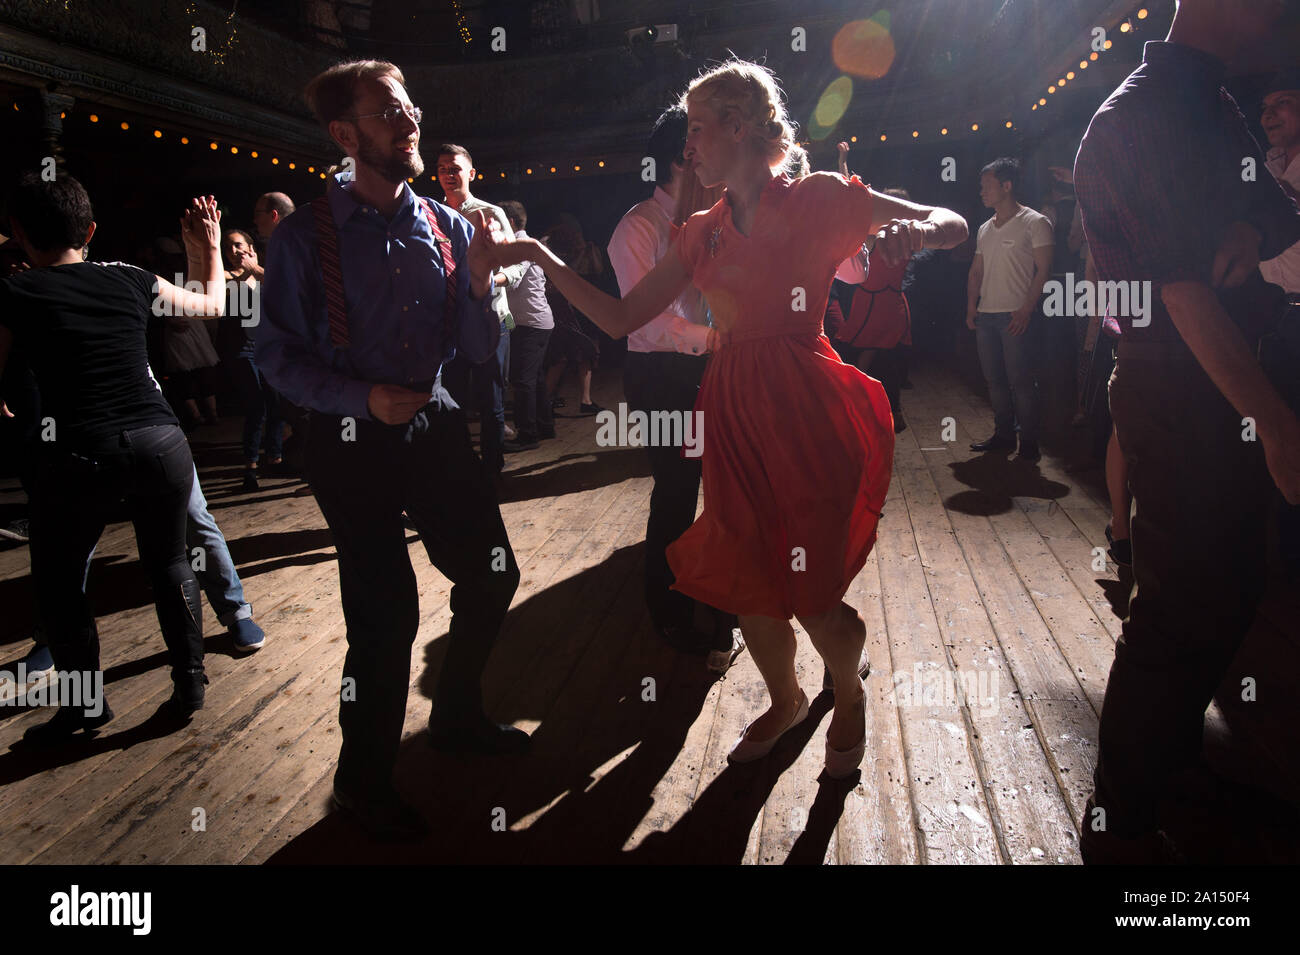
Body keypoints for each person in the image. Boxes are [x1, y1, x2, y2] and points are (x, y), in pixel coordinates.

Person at [490, 59, 968, 780]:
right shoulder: (701, 232)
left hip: (806, 408)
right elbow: (622, 316)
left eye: (698, 132)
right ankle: (785, 698)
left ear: (740, 128)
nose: (689, 150)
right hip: (734, 409)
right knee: (750, 578)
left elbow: (953, 222)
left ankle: (847, 689)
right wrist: (535, 253)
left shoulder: (818, 197)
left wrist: (918, 235)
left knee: (811, 593)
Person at [257, 59, 526, 842]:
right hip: (347, 438)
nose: (408, 123)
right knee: (385, 617)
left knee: (495, 571)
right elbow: (273, 356)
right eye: (386, 113)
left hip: (433, 420)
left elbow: (477, 351)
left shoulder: (447, 227)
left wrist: (479, 289)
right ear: (344, 135)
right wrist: (359, 399)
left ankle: (456, 715)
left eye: (409, 107)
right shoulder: (307, 237)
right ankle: (361, 780)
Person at [1073, 0, 1300, 863]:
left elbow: (1278, 215)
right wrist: (1274, 422)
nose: (1279, 15)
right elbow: (1178, 290)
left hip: (1221, 390)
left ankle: (1167, 758)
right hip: (1181, 392)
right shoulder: (1142, 113)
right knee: (1176, 612)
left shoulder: (1211, 103)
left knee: (1230, 587)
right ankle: (1120, 822)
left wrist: (1248, 225)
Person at [0, 175, 228, 741]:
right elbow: (213, 306)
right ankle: (190, 682)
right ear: (91, 230)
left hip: (79, 453)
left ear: (19, 234)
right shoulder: (130, 279)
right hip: (161, 441)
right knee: (171, 562)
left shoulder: (14, 293)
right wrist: (210, 246)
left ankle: (85, 708)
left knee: (59, 583)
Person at [607, 104, 739, 669]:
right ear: (683, 155)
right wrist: (716, 339)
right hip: (663, 374)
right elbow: (648, 321)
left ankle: (729, 602)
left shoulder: (719, 220)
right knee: (679, 489)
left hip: (717, 363)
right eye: (706, 143)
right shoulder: (639, 226)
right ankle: (667, 609)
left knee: (730, 488)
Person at [436, 144, 527, 477]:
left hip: (491, 319)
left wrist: (487, 281)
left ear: (471, 173)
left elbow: (517, 267)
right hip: (451, 321)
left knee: (491, 401)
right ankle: (460, 468)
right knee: (452, 400)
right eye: (443, 168)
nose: (448, 174)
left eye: (455, 168)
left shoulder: (489, 214)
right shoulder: (430, 214)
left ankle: (491, 468)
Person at [966, 157, 1054, 463]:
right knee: (995, 381)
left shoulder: (1035, 222)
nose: (982, 192)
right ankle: (1003, 436)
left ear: (1007, 185)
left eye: (987, 186)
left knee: (1021, 382)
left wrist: (1026, 310)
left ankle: (1029, 443)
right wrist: (971, 307)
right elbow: (976, 271)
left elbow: (1043, 271)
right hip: (987, 315)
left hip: (1015, 315)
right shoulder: (984, 229)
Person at [1257, 68, 1300, 573]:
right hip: (1267, 311)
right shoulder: (1263, 165)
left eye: (1283, 103)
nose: (1268, 114)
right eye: (1265, 107)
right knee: (1269, 423)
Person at [221, 229, 284, 491]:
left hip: (267, 349)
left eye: (238, 245)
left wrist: (255, 268)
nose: (233, 251)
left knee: (278, 404)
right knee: (257, 406)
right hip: (241, 350)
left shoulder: (262, 275)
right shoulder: (225, 277)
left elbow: (282, 287)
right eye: (229, 248)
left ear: (250, 248)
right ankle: (251, 468)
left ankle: (276, 457)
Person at [498, 199, 554, 451]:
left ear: (509, 222)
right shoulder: (521, 243)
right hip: (535, 321)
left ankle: (528, 434)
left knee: (523, 380)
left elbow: (512, 282)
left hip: (530, 323)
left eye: (496, 220)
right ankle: (545, 426)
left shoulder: (521, 245)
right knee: (535, 378)